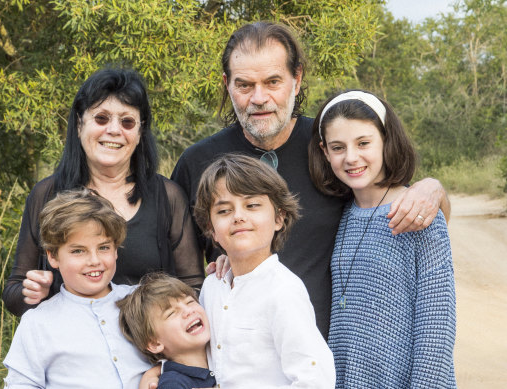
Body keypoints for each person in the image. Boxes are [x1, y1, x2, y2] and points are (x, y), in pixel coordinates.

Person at [171, 21, 450, 339]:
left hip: (328, 358)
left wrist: (432, 188)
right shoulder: (197, 163)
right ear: (227, 84)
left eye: (273, 81)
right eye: (245, 85)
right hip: (237, 358)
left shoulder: (331, 150)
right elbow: (182, 275)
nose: (259, 98)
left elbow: (398, 199)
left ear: (297, 79)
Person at [3, 67, 204, 316]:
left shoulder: (169, 197)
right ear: (79, 124)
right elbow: (14, 290)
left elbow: (193, 287)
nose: (114, 130)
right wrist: (32, 293)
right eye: (101, 118)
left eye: (127, 121)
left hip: (148, 350)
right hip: (72, 346)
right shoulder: (46, 195)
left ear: (140, 132)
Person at [309, 90, 456, 387]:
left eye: (364, 143)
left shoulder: (417, 215)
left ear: (387, 139)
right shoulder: (342, 213)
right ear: (325, 152)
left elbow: (436, 327)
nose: (351, 158)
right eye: (338, 147)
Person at [192, 154, 335, 387]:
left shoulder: (283, 291)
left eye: (252, 205)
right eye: (224, 211)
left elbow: (315, 379)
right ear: (212, 229)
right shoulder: (212, 287)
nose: (238, 217)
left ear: (279, 218)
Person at [3, 188, 151, 388]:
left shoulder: (141, 301)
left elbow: (178, 351)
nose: (94, 260)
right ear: (53, 257)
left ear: (116, 249)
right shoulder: (38, 322)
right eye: (78, 251)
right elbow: (21, 384)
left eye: (104, 247)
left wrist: (157, 372)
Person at [117, 273, 216, 389]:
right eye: (171, 313)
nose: (188, 311)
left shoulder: (220, 357)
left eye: (190, 302)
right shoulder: (172, 383)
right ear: (155, 343)